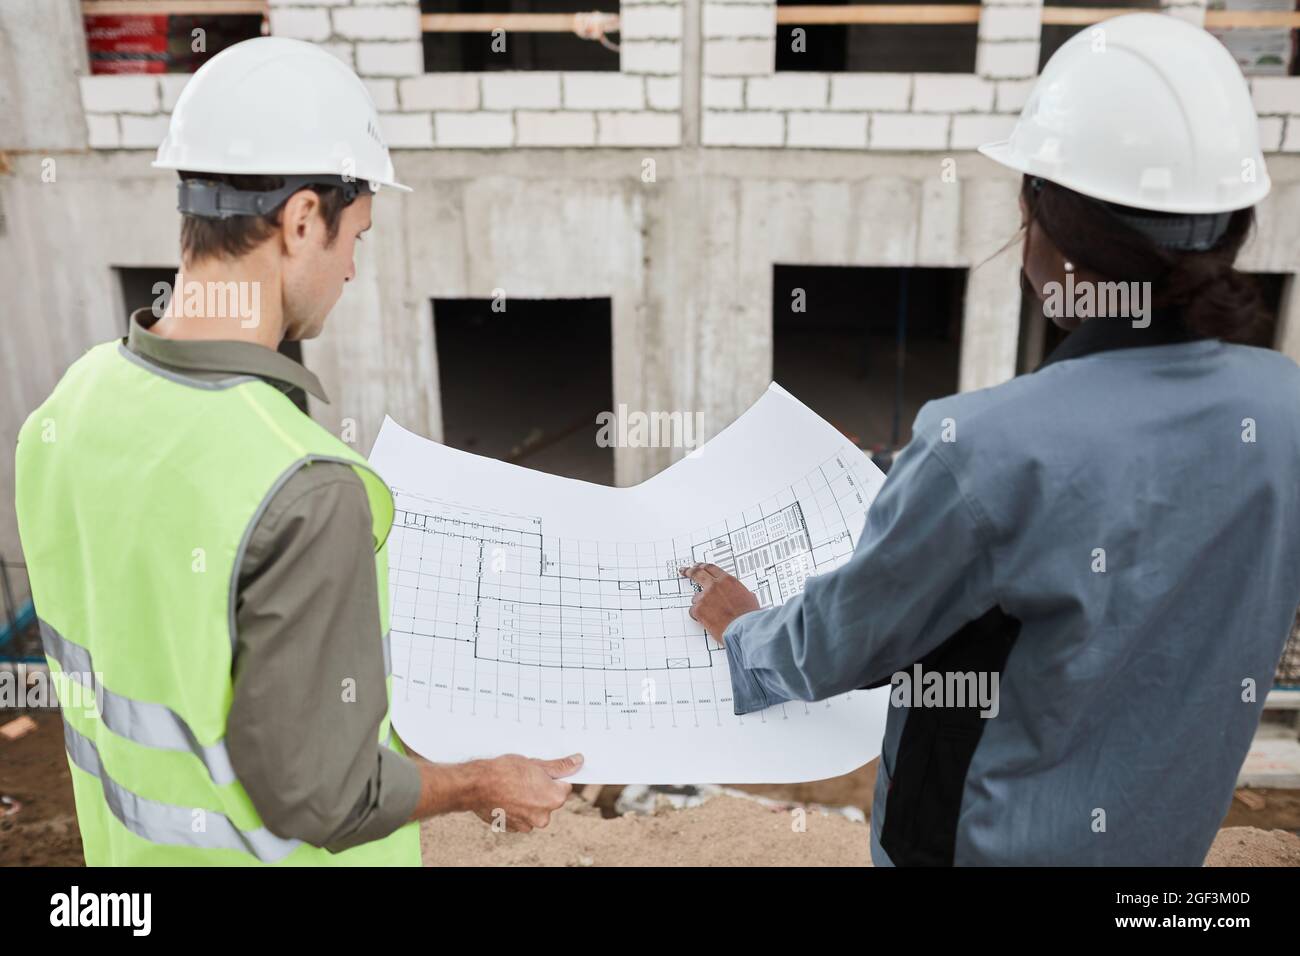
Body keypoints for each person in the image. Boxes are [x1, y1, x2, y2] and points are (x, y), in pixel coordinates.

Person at [683, 13, 1300, 865]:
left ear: (1046, 224)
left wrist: (745, 631)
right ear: (1232, 227)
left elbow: (842, 643)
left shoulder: (982, 446)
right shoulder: (1284, 409)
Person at [14, 36, 580, 866]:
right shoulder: (305, 487)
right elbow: (323, 794)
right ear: (304, 218)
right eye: (357, 235)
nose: (352, 268)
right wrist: (482, 782)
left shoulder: (69, 409)